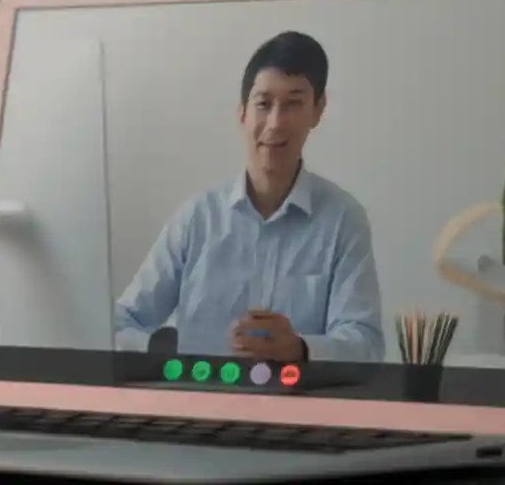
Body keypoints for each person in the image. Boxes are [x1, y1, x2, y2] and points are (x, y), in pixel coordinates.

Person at [113, 31, 384, 363]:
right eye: (263, 104)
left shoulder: (343, 220)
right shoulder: (197, 218)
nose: (275, 122)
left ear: (318, 109)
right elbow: (120, 323)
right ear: (242, 112)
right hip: (199, 407)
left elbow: (365, 345)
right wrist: (163, 352)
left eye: (293, 104)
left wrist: (299, 349)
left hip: (297, 411)